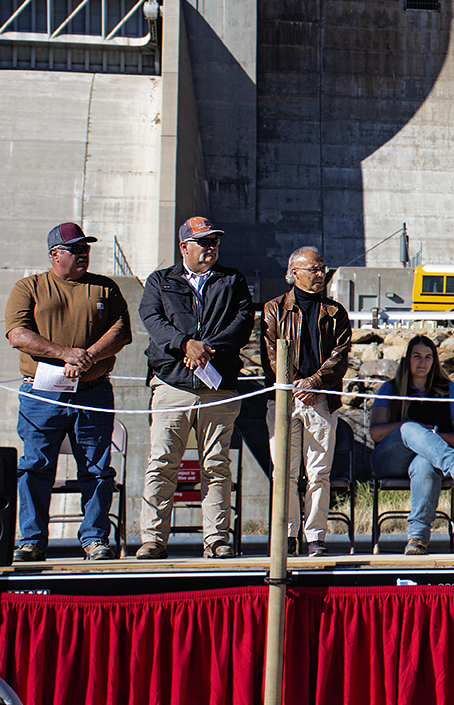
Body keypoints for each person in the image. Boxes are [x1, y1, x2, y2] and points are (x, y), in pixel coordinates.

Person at [4, 222, 133, 562]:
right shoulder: (29, 287)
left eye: (85, 249)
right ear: (54, 254)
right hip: (42, 392)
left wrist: (87, 356)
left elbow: (121, 333)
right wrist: (65, 353)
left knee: (96, 467)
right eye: (75, 249)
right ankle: (31, 540)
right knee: (35, 466)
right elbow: (17, 333)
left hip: (93, 391)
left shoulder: (104, 288)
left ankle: (94, 539)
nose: (83, 255)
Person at [136, 217, 255, 560]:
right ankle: (153, 540)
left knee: (216, 464)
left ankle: (217, 539)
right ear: (184, 246)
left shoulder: (232, 280)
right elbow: (152, 318)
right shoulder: (161, 280)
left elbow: (242, 322)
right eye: (203, 242)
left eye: (214, 241)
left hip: (218, 386)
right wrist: (183, 343)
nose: (210, 247)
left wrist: (204, 348)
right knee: (162, 462)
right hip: (173, 384)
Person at [262, 246, 351, 556]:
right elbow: (272, 355)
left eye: (322, 267)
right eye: (314, 268)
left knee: (319, 473)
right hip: (285, 399)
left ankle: (315, 537)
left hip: (321, 400)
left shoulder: (335, 311)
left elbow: (340, 356)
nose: (321, 273)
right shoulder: (274, 309)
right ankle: (286, 535)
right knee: (283, 472)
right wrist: (296, 383)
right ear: (294, 272)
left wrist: (313, 382)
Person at [369, 334, 454, 555]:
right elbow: (376, 433)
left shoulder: (448, 390)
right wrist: (415, 428)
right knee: (410, 428)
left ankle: (417, 539)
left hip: (430, 460)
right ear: (407, 359)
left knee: (424, 464)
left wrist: (431, 438)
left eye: (428, 357)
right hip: (389, 459)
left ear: (434, 361)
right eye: (417, 356)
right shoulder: (391, 388)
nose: (422, 361)